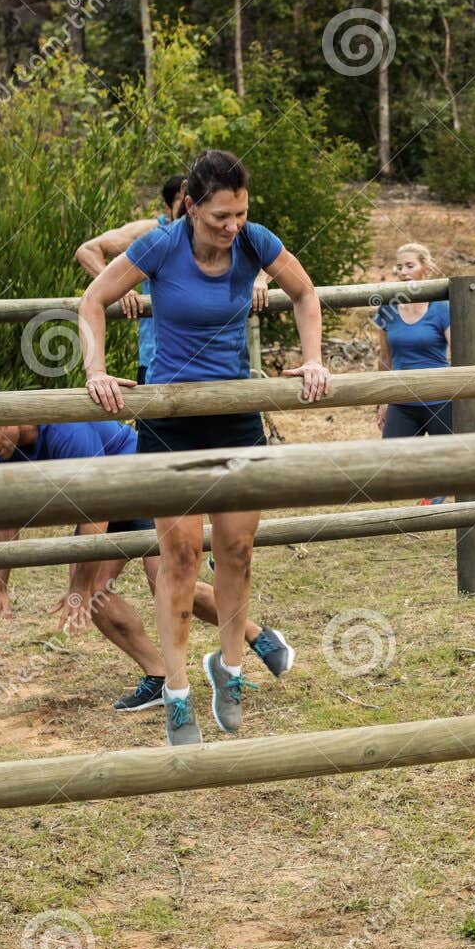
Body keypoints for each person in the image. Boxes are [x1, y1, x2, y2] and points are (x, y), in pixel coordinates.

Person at [76, 148, 330, 747]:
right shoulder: (161, 246)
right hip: (173, 418)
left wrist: (313, 360)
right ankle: (177, 691)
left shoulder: (255, 242)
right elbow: (93, 301)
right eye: (220, 215)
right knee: (182, 558)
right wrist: (96, 370)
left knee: (238, 550)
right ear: (190, 206)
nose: (231, 226)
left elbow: (306, 295)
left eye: (240, 213)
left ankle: (231, 669)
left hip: (236, 414)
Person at [0, 403, 295, 711]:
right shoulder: (6, 455)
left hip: (138, 483)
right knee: (93, 593)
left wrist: (78, 586)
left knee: (165, 585)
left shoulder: (65, 431)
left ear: (10, 418)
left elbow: (93, 515)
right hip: (106, 504)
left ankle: (257, 635)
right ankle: (160, 677)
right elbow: (5, 522)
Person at [75, 175, 270, 384]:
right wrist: (119, 286)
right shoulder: (152, 234)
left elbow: (273, 256)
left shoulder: (228, 234)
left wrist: (259, 278)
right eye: (185, 199)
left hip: (220, 366)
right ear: (176, 205)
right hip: (156, 358)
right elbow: (88, 250)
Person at [373, 242, 475, 549]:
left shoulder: (441, 308)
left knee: (463, 464)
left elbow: (461, 353)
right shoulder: (388, 308)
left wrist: (470, 392)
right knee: (392, 460)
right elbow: (384, 358)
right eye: (399, 267)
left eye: (410, 266)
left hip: (440, 398)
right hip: (402, 400)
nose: (403, 272)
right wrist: (380, 401)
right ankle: (436, 488)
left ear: (426, 269)